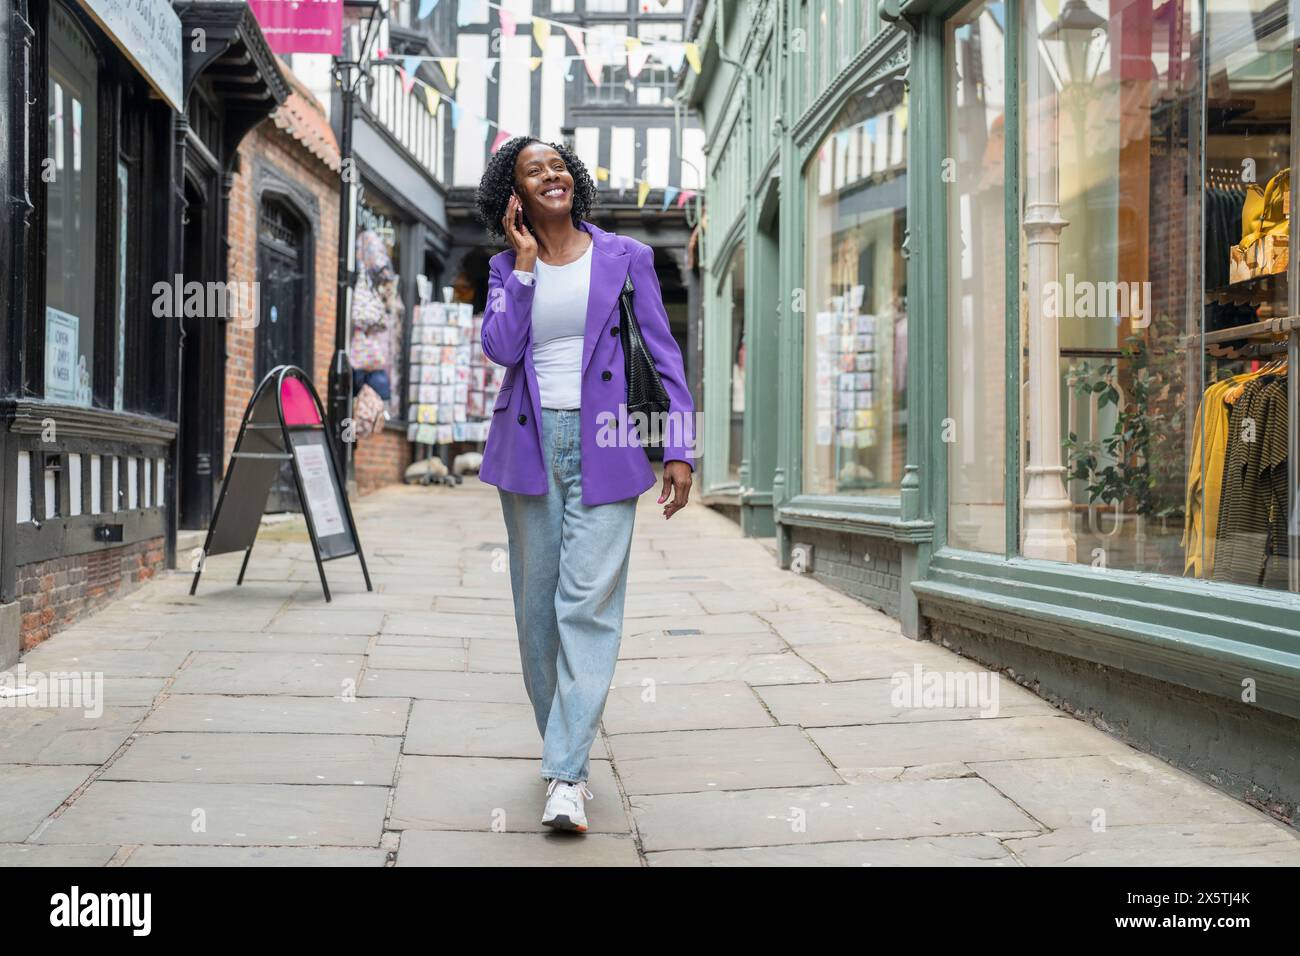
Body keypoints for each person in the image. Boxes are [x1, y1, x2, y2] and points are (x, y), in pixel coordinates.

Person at [474, 136, 695, 833]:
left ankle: (564, 775)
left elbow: (663, 353)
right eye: (534, 170)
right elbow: (502, 348)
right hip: (531, 448)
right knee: (537, 615)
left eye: (558, 164)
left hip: (611, 444)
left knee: (588, 607)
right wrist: (528, 267)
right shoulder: (506, 267)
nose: (552, 174)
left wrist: (679, 449)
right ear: (512, 195)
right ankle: (562, 749)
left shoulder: (627, 258)